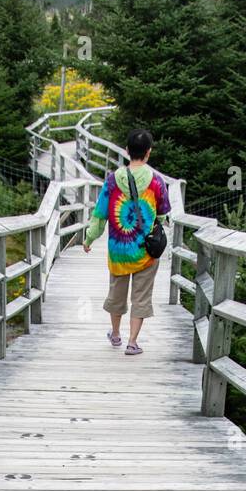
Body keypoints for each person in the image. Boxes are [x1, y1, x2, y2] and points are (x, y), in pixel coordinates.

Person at [83, 127, 171, 356]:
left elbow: (100, 214)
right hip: (145, 251)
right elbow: (162, 213)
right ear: (149, 152)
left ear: (126, 151)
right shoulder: (157, 181)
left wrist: (89, 239)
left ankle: (115, 334)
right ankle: (132, 342)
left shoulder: (112, 181)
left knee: (116, 293)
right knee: (141, 297)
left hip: (119, 249)